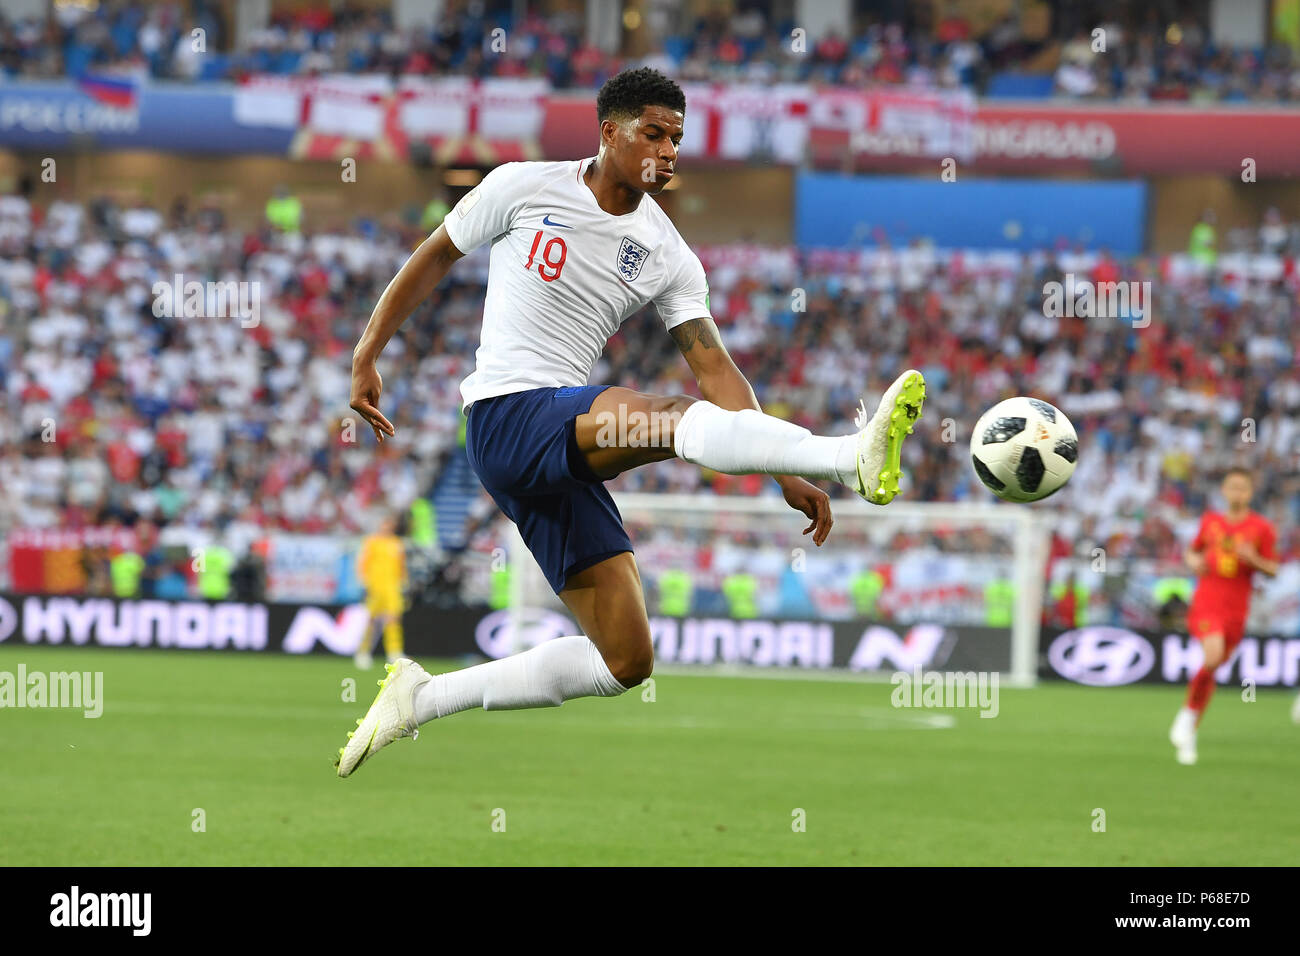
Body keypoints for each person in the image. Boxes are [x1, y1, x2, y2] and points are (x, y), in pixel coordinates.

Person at [336, 68, 926, 777]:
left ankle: (423, 698)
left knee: (625, 659)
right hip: (507, 415)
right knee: (667, 418)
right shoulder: (522, 186)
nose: (668, 150)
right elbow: (436, 255)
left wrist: (780, 468)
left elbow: (715, 368)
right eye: (653, 133)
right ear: (609, 132)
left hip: (554, 454)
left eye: (677, 138)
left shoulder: (668, 253)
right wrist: (367, 352)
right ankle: (849, 456)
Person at [1169, 468, 1279, 765]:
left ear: (1250, 493)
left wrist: (1253, 559)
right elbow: (1192, 552)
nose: (1237, 493)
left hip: (1236, 611)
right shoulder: (1210, 522)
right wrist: (1194, 561)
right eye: (1232, 487)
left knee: (1212, 668)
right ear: (1224, 490)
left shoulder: (1261, 528)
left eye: (1242, 488)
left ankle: (1190, 727)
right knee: (1213, 656)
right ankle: (1186, 716)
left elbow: (1273, 569)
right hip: (1207, 603)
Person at [354, 514, 407, 669]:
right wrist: (364, 583)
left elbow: (401, 565)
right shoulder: (371, 542)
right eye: (385, 523)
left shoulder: (397, 543)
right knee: (371, 620)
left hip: (392, 587)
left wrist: (403, 583)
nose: (388, 527)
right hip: (375, 586)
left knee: (393, 619)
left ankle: (394, 652)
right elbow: (363, 563)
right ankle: (363, 652)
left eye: (390, 524)